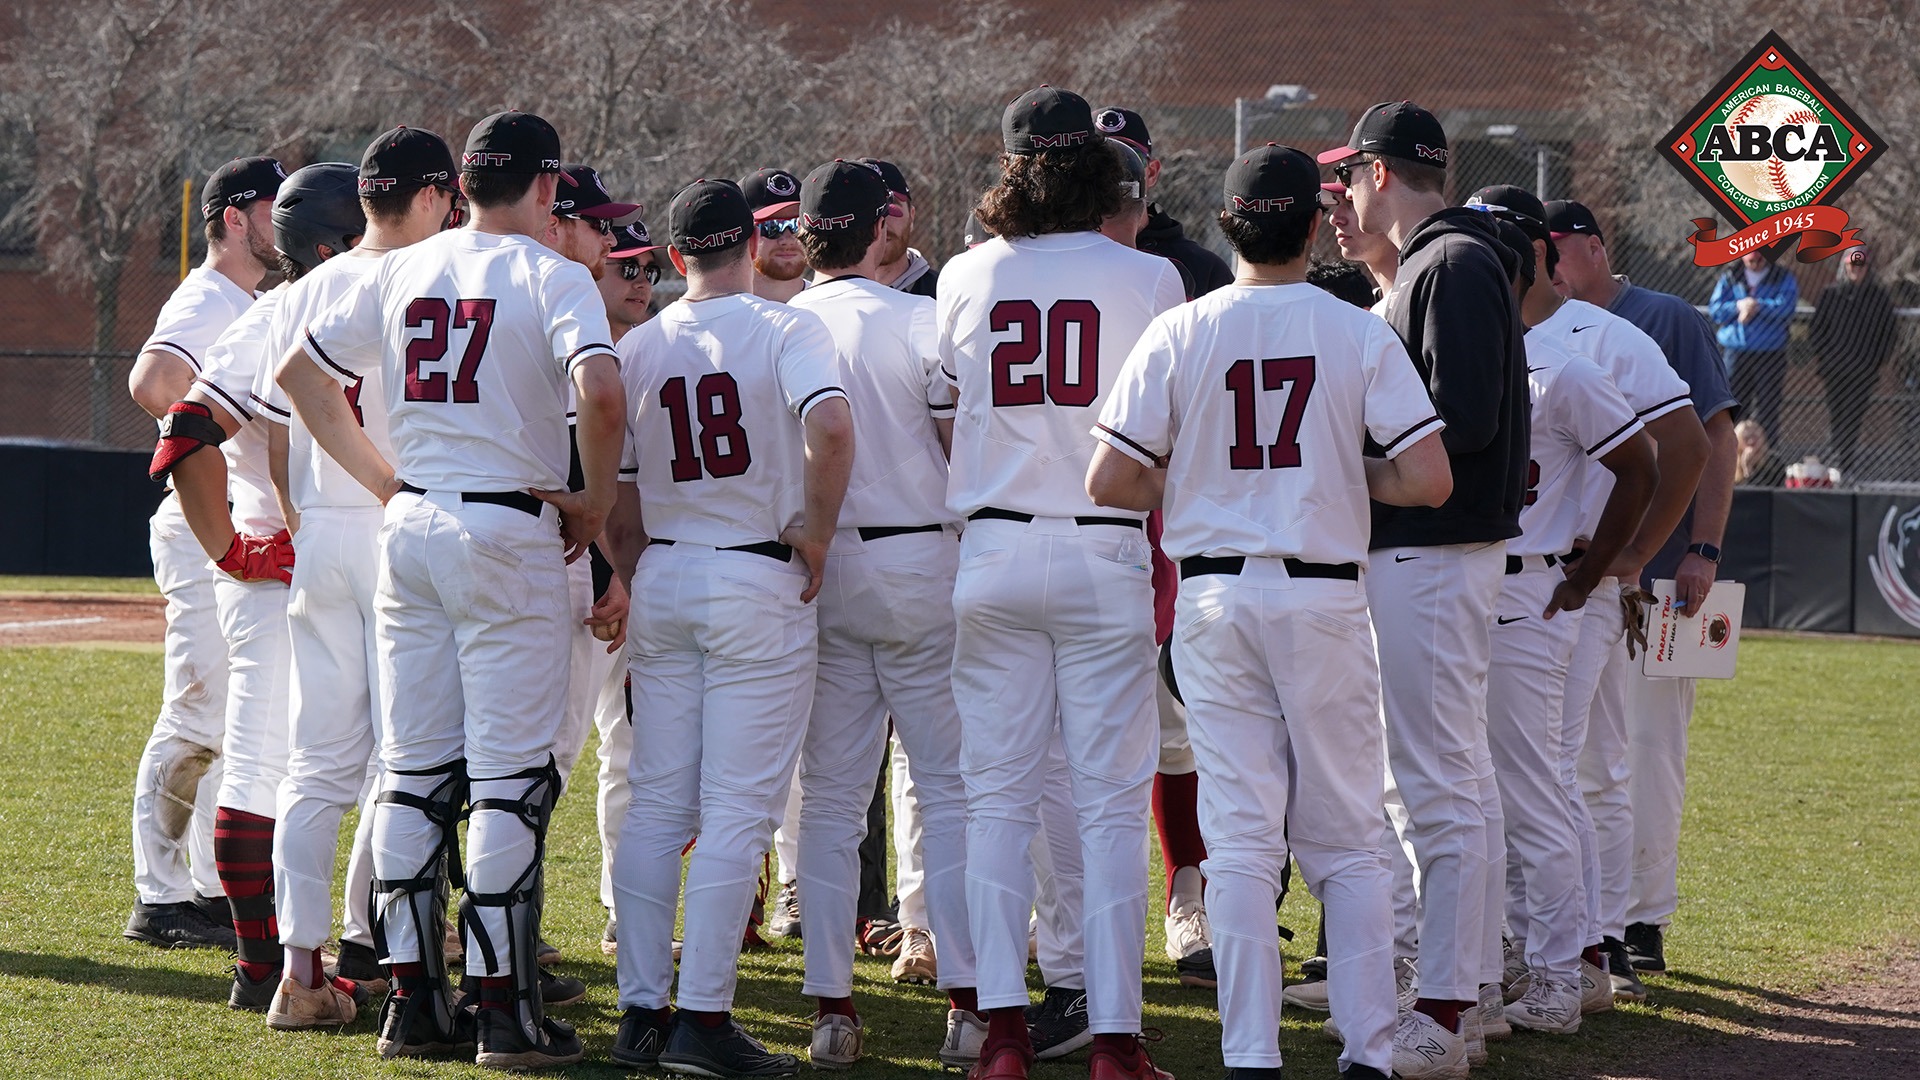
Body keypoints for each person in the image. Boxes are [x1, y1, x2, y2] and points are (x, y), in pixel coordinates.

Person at [1088, 141, 1451, 1080]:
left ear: (1228, 221)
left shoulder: (1181, 328)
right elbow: (1427, 476)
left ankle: (1251, 1055)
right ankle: (1368, 1049)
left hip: (1212, 596)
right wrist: (1335, 469)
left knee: (1242, 844)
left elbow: (1111, 475)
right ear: (1312, 223)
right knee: (1350, 839)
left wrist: (1202, 470)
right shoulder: (1356, 329)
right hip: (1323, 596)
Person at [278, 110, 626, 1069]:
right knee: (508, 783)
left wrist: (385, 480)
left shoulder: (400, 266)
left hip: (414, 525)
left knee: (415, 772)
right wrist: (595, 504)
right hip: (505, 529)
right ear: (549, 187)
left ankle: (411, 1004)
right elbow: (600, 395)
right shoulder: (552, 274)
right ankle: (505, 1012)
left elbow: (300, 377)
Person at [939, 85, 1184, 1080]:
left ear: (1011, 168)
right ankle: (1115, 1041)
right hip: (1103, 547)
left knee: (995, 798)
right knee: (1110, 799)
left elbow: (943, 415)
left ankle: (1003, 1034)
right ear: (1097, 168)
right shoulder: (1153, 276)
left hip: (993, 547)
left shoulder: (964, 274)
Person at [604, 176, 854, 1077]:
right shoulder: (789, 325)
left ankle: (641, 1011)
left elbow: (614, 486)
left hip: (667, 566)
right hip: (755, 571)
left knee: (658, 803)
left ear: (675, 258)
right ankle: (701, 1019)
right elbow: (831, 428)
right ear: (750, 244)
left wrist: (638, 570)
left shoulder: (640, 343)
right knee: (740, 810)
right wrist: (818, 533)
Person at [152, 161, 389, 1026]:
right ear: (335, 234)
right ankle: (357, 958)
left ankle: (273, 968)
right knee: (379, 769)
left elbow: (186, 429)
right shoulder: (383, 293)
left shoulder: (273, 312)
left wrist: (236, 550)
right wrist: (234, 550)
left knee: (280, 771)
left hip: (293, 566)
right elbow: (180, 425)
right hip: (341, 561)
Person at [1321, 100, 1528, 1077]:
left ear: (1377, 171)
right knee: (1458, 787)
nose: (1343, 195)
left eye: (1349, 176)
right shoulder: (1448, 259)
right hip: (1440, 551)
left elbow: (1464, 423)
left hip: (1434, 552)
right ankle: (1466, 997)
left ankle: (1443, 1014)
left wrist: (1340, 461)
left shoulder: (1447, 262)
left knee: (1436, 790)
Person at [1477, 187, 1707, 1010]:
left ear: (1538, 247)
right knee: (1529, 772)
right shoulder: (1479, 329)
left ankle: (1584, 948)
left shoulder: (1602, 336)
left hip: (1574, 582)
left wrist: (1637, 553)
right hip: (1508, 583)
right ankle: (1552, 949)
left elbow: (1683, 447)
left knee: (1563, 770)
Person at [250, 127, 459, 1025]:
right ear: (427, 196)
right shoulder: (427, 276)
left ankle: (300, 974)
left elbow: (271, 415)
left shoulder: (306, 288)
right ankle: (381, 950)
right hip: (391, 524)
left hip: (326, 532)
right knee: (404, 761)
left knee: (314, 766)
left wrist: (306, 512)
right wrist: (387, 485)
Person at [779, 158, 977, 1069]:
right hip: (921, 558)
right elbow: (956, 447)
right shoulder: (922, 318)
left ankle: (831, 1010)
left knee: (828, 798)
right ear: (880, 226)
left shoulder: (776, 323)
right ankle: (969, 1005)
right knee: (948, 788)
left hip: (814, 565)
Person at [1547, 198, 1740, 980]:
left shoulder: (1661, 317)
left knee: (1647, 750)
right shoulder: (1529, 331)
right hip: (1575, 577)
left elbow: (1715, 440)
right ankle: (1598, 925)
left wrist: (1702, 549)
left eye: (1556, 247)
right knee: (1581, 755)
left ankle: (1643, 919)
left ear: (1595, 246)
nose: (1548, 262)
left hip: (1657, 575)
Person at [122, 155, 284, 953]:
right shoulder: (209, 293)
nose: (283, 220)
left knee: (232, 717)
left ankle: (211, 888)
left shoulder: (249, 299)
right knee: (195, 712)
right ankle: (159, 898)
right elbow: (154, 384)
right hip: (198, 528)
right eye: (270, 207)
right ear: (231, 218)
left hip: (222, 522)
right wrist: (216, 427)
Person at [593, 217, 665, 956]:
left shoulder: (649, 353)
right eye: (626, 267)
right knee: (535, 758)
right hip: (564, 575)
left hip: (631, 579)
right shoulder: (563, 339)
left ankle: (622, 909)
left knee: (629, 751)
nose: (641, 281)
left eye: (649, 267)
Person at [1094, 105, 1233, 296]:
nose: (1112, 173)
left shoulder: (1202, 268)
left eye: (1129, 162)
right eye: (1097, 162)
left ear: (1151, 173)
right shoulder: (1059, 251)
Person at [1809, 245, 1897, 475]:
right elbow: (1816, 331)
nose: (1856, 270)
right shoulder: (1831, 294)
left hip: (1863, 372)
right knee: (1836, 416)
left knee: (1853, 417)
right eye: (1852, 265)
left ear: (1868, 268)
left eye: (1861, 265)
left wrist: (1874, 363)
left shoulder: (1879, 298)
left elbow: (1889, 334)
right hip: (1834, 370)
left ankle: (1845, 466)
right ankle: (1836, 461)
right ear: (1845, 266)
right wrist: (1826, 357)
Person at [1708, 250, 1797, 435]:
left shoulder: (1781, 276)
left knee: (1768, 407)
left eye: (1758, 259)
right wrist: (1738, 306)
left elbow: (1786, 307)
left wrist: (1757, 306)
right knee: (1733, 407)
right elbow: (1716, 309)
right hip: (1736, 351)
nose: (1754, 263)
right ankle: (1732, 455)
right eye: (1750, 260)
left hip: (1770, 352)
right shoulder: (1731, 276)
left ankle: (1767, 456)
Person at [861, 157, 939, 297]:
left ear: (911, 216)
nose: (882, 221)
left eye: (891, 205)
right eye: (870, 208)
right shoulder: (828, 296)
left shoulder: (942, 294)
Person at [741, 167, 809, 303]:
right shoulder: (725, 314)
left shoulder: (833, 305)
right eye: (772, 227)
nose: (788, 240)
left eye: (797, 224)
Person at [1733, 419, 1786, 485]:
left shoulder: (1774, 461)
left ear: (1762, 437)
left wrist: (1749, 470)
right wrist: (1746, 468)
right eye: (1746, 438)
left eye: (1754, 437)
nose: (1751, 441)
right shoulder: (1732, 463)